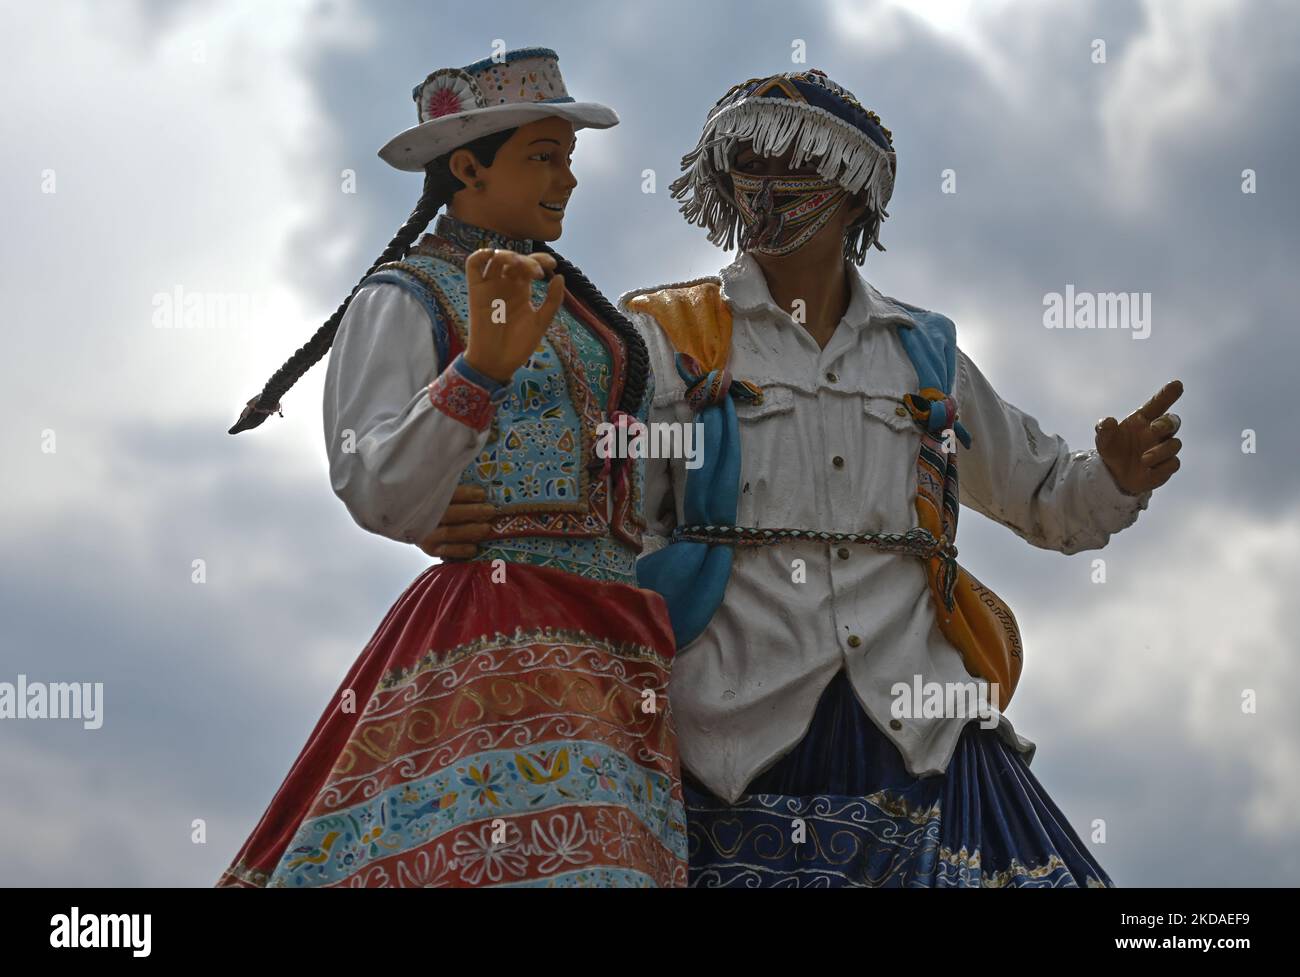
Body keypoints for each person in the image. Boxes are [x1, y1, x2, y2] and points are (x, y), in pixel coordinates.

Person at [614, 68, 1184, 886]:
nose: (767, 187)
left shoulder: (923, 352)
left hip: (930, 727)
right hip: (731, 735)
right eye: (746, 162)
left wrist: (1119, 477)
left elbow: (1047, 497)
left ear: (855, 194)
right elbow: (609, 515)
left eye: (794, 164)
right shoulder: (666, 337)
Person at [217, 47, 687, 888]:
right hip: (498, 633)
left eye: (568, 159)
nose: (568, 181)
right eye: (544, 157)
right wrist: (481, 374)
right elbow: (373, 479)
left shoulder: (587, 310)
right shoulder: (406, 295)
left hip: (612, 638)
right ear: (467, 166)